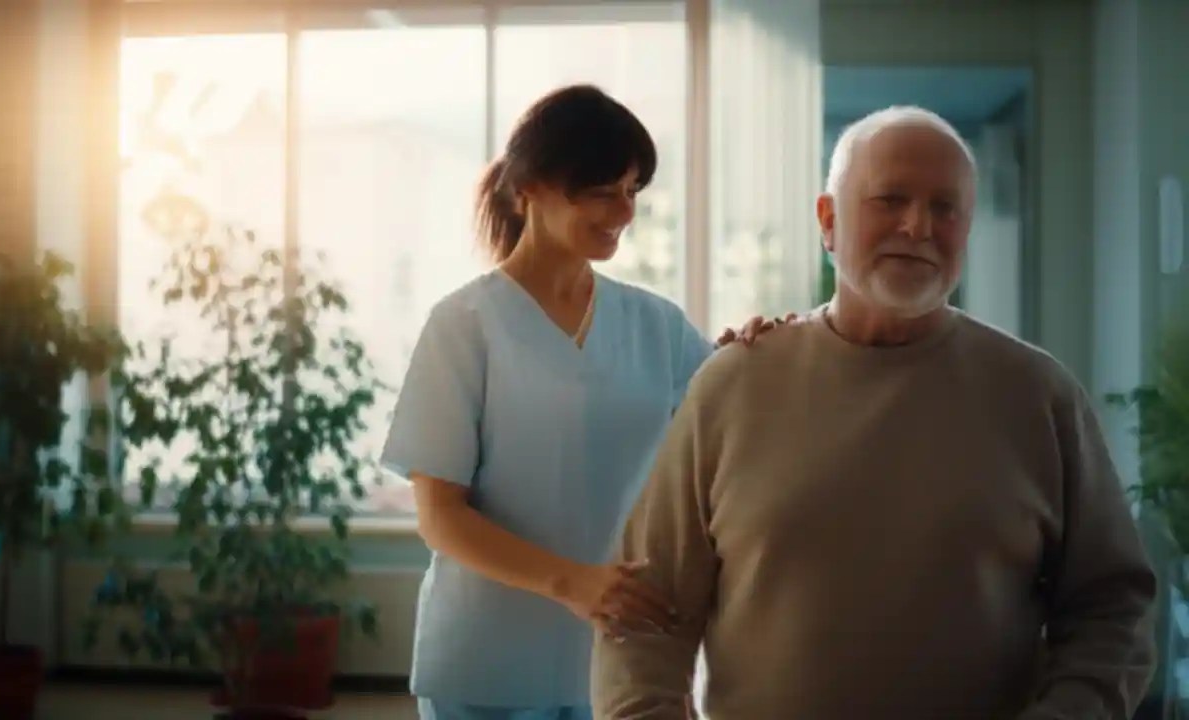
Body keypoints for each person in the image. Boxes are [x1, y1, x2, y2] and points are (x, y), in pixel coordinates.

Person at [591, 105, 1158, 719]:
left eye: (945, 208)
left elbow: (1112, 609)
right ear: (828, 221)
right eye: (890, 199)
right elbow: (646, 613)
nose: (918, 226)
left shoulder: (1039, 396)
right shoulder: (732, 386)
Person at [380, 84, 784, 720]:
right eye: (601, 192)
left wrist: (757, 348)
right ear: (529, 189)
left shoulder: (656, 325)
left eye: (631, 192)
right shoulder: (465, 325)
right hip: (486, 667)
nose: (622, 211)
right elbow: (440, 516)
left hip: (620, 658)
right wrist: (575, 583)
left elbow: (734, 419)